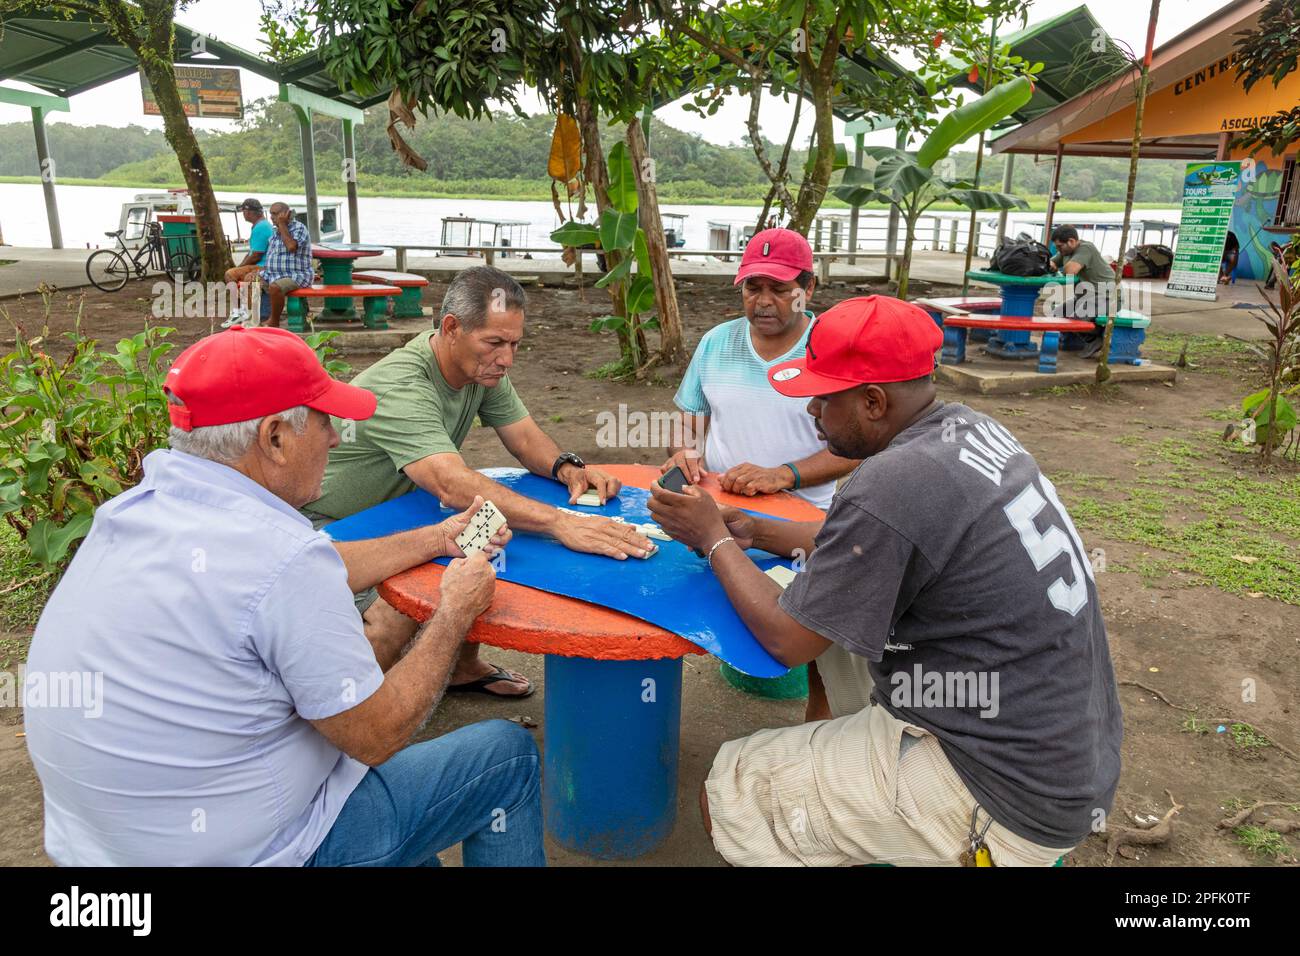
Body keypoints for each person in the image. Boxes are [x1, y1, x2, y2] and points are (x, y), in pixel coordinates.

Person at [24, 327, 544, 867]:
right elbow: (376, 733)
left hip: (105, 849)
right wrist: (454, 610)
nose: (338, 440)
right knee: (503, 757)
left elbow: (290, 575)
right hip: (259, 852)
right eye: (325, 422)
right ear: (274, 437)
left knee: (413, 832)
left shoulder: (134, 514)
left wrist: (438, 537)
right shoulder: (281, 559)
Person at [648, 295, 1123, 867]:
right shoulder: (968, 431)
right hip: (1067, 756)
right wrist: (756, 529)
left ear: (873, 402)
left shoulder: (893, 482)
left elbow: (789, 639)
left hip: (998, 789)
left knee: (731, 786)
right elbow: (873, 541)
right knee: (840, 680)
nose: (813, 411)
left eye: (824, 396)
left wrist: (713, 539)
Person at [307, 266, 653, 699]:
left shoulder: (480, 369)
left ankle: (461, 666)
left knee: (484, 535)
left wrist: (569, 467)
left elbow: (525, 438)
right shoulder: (402, 383)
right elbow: (451, 484)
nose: (507, 359)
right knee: (392, 613)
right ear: (451, 328)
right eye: (495, 343)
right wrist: (562, 523)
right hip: (332, 523)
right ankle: (353, 716)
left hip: (401, 508)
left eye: (514, 344)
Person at [664, 227, 858, 511]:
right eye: (753, 288)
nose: (764, 301)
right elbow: (686, 424)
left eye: (779, 289)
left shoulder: (836, 350)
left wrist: (782, 475)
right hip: (718, 510)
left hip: (803, 519)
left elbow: (857, 449)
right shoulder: (715, 342)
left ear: (808, 288)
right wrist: (685, 452)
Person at [1048, 225, 1117, 358]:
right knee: (1056, 314)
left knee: (1074, 319)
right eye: (1056, 247)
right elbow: (1051, 262)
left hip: (1107, 295)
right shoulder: (1065, 252)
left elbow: (1070, 271)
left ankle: (1096, 339)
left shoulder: (1086, 248)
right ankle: (1084, 339)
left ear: (1072, 241)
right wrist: (1053, 264)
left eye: (1060, 246)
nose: (1058, 250)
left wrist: (1058, 267)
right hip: (1085, 297)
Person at [259, 201, 315, 328]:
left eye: (275, 214)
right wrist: (263, 273)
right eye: (271, 214)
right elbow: (271, 256)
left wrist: (282, 225)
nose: (272, 217)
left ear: (286, 214)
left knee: (275, 287)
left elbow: (291, 247)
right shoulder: (275, 232)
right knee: (250, 280)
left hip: (297, 276)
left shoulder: (299, 228)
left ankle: (274, 321)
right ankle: (257, 316)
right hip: (275, 274)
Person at [222, 198, 274, 327]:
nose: (243, 214)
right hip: (258, 263)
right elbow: (251, 253)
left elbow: (256, 255)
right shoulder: (262, 225)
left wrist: (240, 267)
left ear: (249, 212)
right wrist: (240, 267)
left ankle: (240, 312)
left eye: (243, 211)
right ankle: (242, 311)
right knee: (236, 274)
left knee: (230, 274)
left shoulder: (261, 227)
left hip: (261, 266)